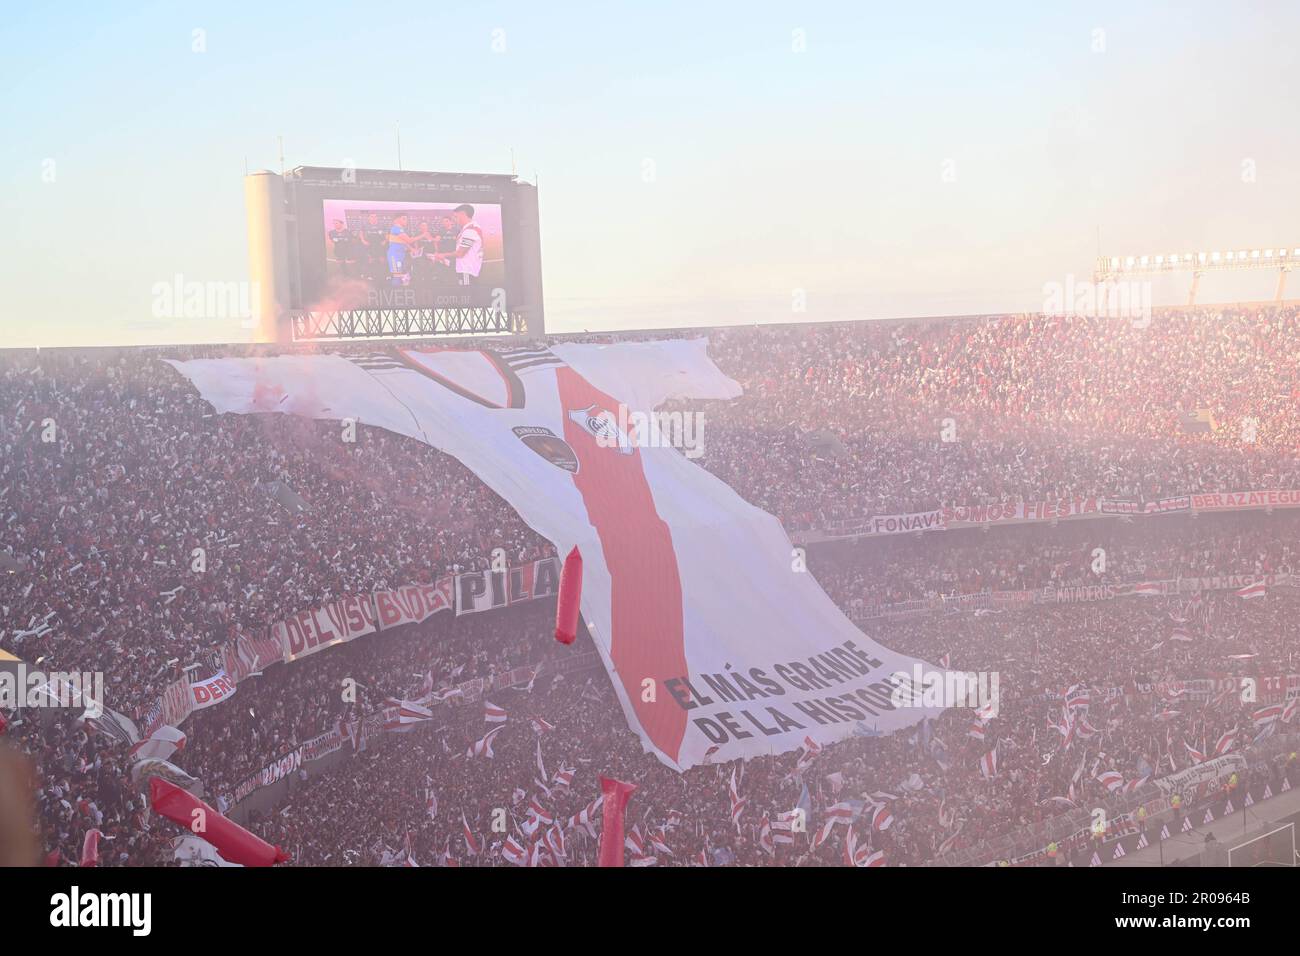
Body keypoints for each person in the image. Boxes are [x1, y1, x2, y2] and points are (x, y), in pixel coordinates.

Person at [434, 204, 484, 286]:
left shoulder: (470, 231)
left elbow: (460, 253)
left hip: (467, 271)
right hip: (465, 270)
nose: (454, 219)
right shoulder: (467, 229)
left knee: (467, 294)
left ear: (463, 215)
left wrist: (443, 255)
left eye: (456, 216)